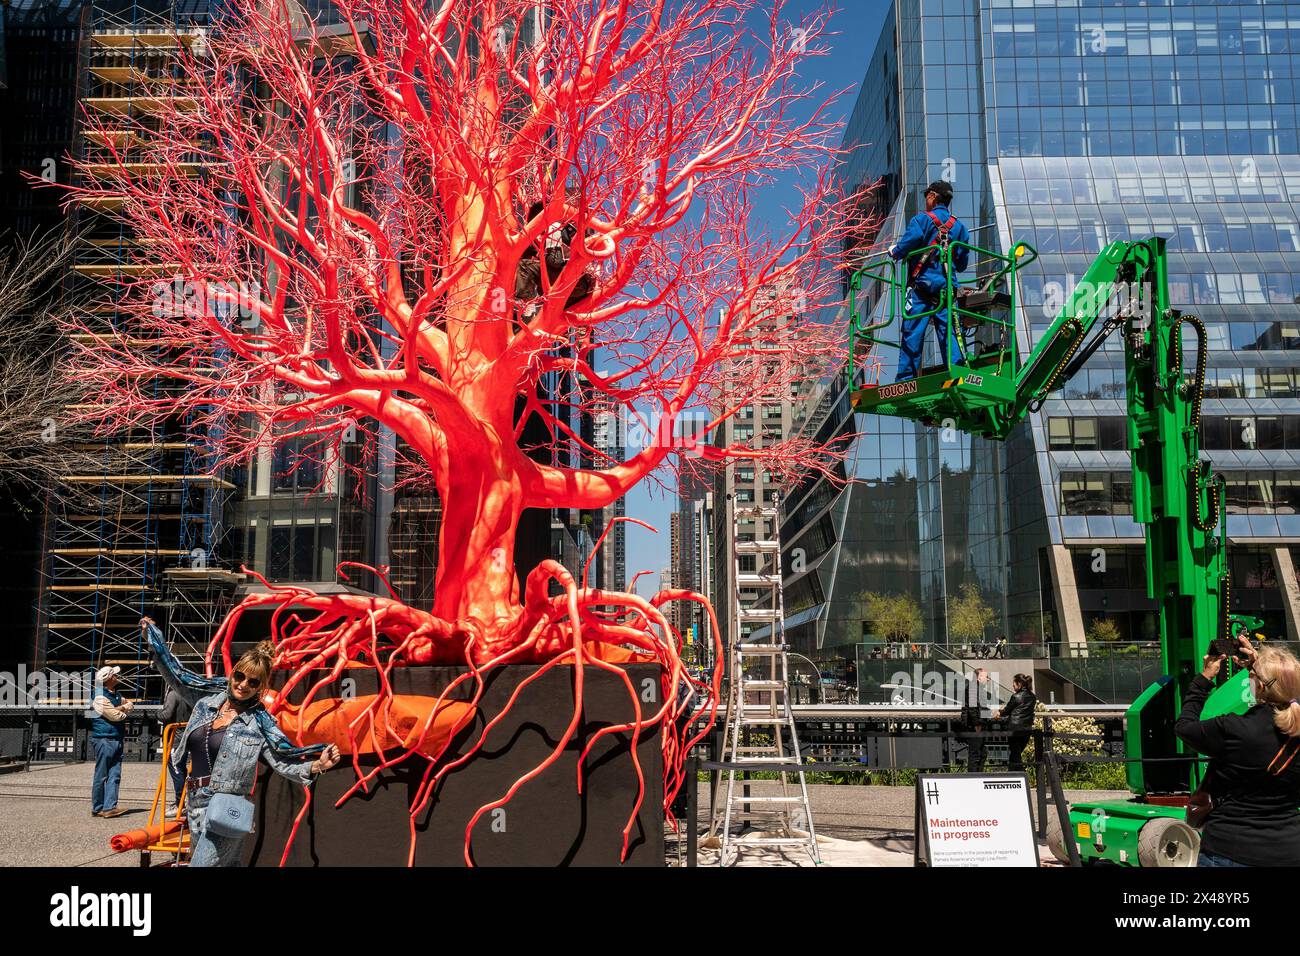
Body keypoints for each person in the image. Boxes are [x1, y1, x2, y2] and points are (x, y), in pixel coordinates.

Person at [168, 639, 343, 867]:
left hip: (226, 805)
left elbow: (281, 762)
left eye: (253, 681)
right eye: (240, 676)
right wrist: (153, 640)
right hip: (195, 802)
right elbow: (176, 678)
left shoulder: (260, 723)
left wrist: (317, 766)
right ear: (233, 674)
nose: (243, 685)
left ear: (260, 687)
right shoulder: (205, 706)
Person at [1176, 636, 1300, 867]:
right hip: (1290, 851)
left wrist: (1204, 679)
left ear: (1259, 686)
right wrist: (1258, 666)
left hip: (1230, 851)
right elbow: (1288, 694)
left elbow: (1184, 727)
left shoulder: (1234, 728)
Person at [888, 180, 971, 381]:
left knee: (913, 332)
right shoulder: (959, 228)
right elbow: (961, 264)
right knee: (950, 331)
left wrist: (895, 251)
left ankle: (906, 378)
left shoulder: (921, 221)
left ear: (932, 197)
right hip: (946, 289)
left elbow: (907, 245)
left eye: (927, 195)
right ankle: (957, 371)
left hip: (921, 289)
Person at [90, 665, 134, 819]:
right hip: (104, 738)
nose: (117, 676)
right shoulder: (99, 697)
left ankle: (109, 807)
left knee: (114, 774)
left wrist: (120, 708)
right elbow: (116, 716)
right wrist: (123, 709)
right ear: (108, 679)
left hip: (115, 737)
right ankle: (98, 807)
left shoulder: (114, 694)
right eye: (114, 675)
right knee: (101, 774)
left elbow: (129, 705)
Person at [159, 686, 193, 816]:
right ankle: (183, 801)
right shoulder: (188, 693)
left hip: (175, 739)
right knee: (183, 769)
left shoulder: (174, 694)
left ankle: (180, 804)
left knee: (176, 769)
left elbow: (166, 714)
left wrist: (155, 714)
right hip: (185, 736)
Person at [996, 674, 1038, 772]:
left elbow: (1006, 711)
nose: (1013, 685)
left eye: (1014, 683)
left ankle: (1020, 773)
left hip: (1014, 730)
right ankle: (1012, 773)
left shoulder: (1015, 696)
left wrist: (999, 711)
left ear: (1019, 684)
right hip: (1027, 729)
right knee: (1016, 753)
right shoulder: (1033, 697)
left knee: (1015, 753)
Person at [960, 667, 991, 772]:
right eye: (986, 677)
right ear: (978, 678)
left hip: (977, 725)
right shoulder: (973, 688)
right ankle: (974, 777)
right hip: (975, 726)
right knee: (975, 753)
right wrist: (977, 724)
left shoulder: (977, 688)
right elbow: (973, 709)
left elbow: (980, 708)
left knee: (982, 752)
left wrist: (992, 713)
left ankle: (978, 775)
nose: (988, 679)